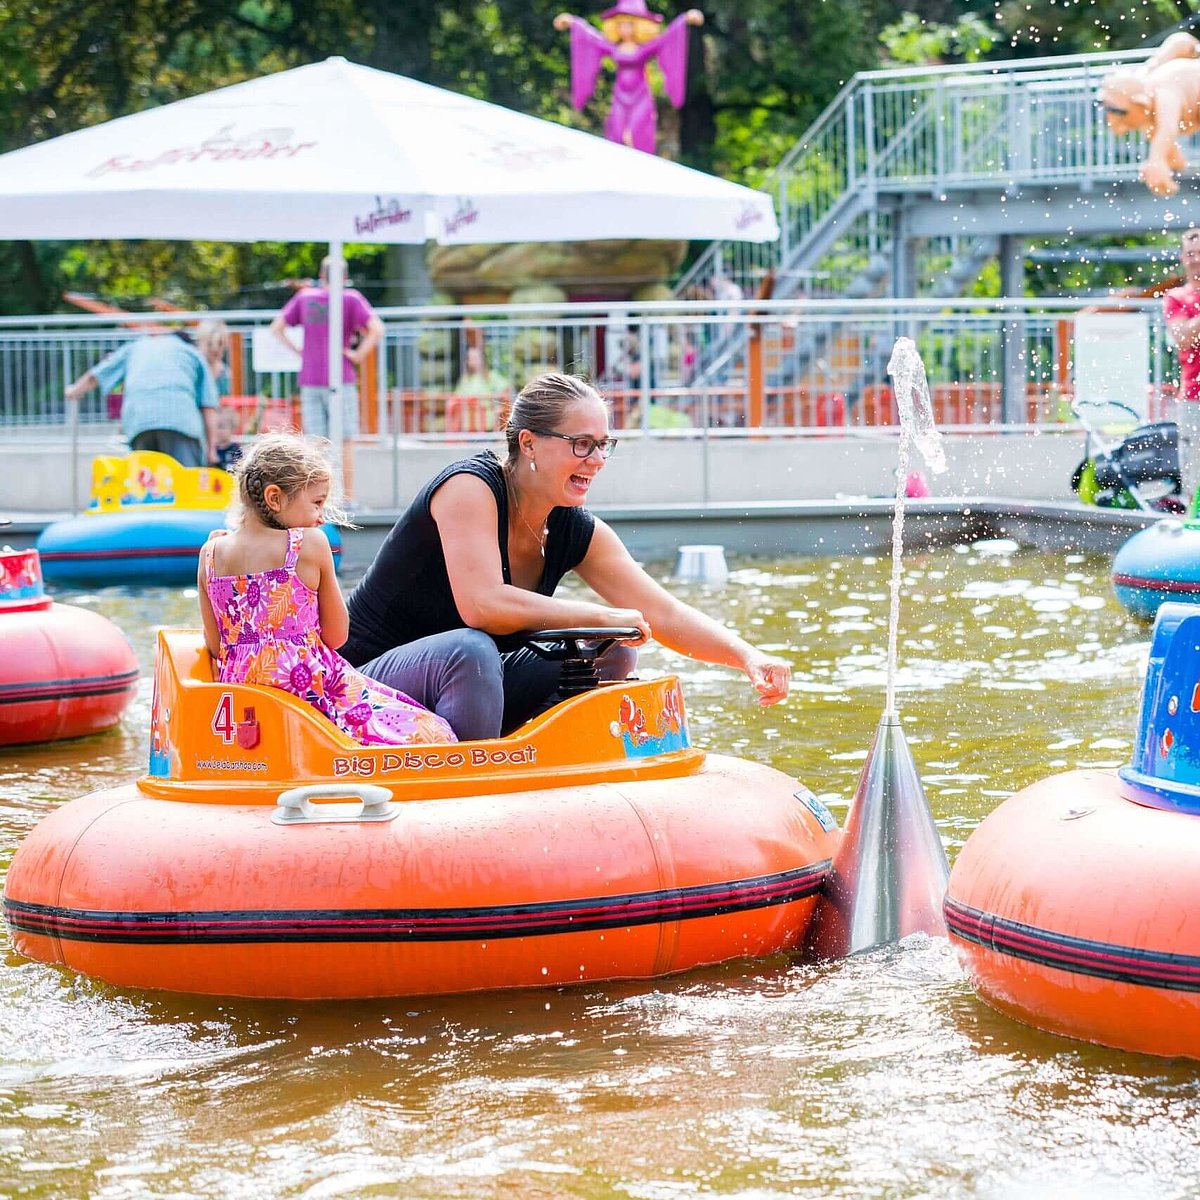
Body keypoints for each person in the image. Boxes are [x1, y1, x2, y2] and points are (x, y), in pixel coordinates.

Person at [341, 372, 792, 742]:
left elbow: (663, 612)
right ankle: (474, 787)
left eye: (603, 445)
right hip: (362, 684)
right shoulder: (469, 487)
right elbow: (482, 606)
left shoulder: (575, 527)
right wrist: (600, 613)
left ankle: (551, 769)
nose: (596, 460)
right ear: (530, 443)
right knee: (470, 647)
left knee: (608, 647)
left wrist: (748, 657)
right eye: (581, 443)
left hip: (471, 687)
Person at [198, 433, 455, 747]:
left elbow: (215, 644)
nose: (320, 517)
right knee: (431, 731)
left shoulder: (210, 554)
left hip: (243, 693)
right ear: (274, 498)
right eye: (316, 503)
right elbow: (337, 636)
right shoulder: (307, 544)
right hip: (307, 690)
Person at [267, 257, 385, 439]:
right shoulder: (351, 299)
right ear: (345, 277)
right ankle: (344, 470)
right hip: (341, 376)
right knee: (345, 439)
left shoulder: (305, 297)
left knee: (316, 442)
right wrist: (357, 355)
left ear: (322, 275)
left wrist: (299, 350)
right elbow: (377, 330)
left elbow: (276, 328)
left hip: (310, 377)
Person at [66, 329, 218, 468]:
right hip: (181, 422)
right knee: (186, 482)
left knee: (145, 486)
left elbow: (99, 373)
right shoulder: (191, 352)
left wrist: (75, 390)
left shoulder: (136, 347)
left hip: (140, 421)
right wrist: (212, 450)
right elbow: (208, 405)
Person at [1100, 31, 1200, 197]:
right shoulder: (1150, 121)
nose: (1120, 127)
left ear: (1139, 103)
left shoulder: (1163, 90)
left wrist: (1156, 160)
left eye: (1119, 113)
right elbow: (1177, 163)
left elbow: (1168, 128)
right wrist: (1159, 165)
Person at [1165, 227, 1200, 508]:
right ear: (1182, 258)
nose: (1196, 259)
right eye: (1191, 253)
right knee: (1195, 471)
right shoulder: (1177, 298)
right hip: (1194, 397)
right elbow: (1184, 339)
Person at [194, 319, 231, 398]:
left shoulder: (225, 374)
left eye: (220, 343)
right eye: (210, 344)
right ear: (200, 342)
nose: (215, 349)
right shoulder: (191, 369)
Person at [212, 406, 243, 471]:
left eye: (222, 427)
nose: (218, 430)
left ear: (232, 429)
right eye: (216, 426)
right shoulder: (211, 449)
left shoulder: (236, 450)